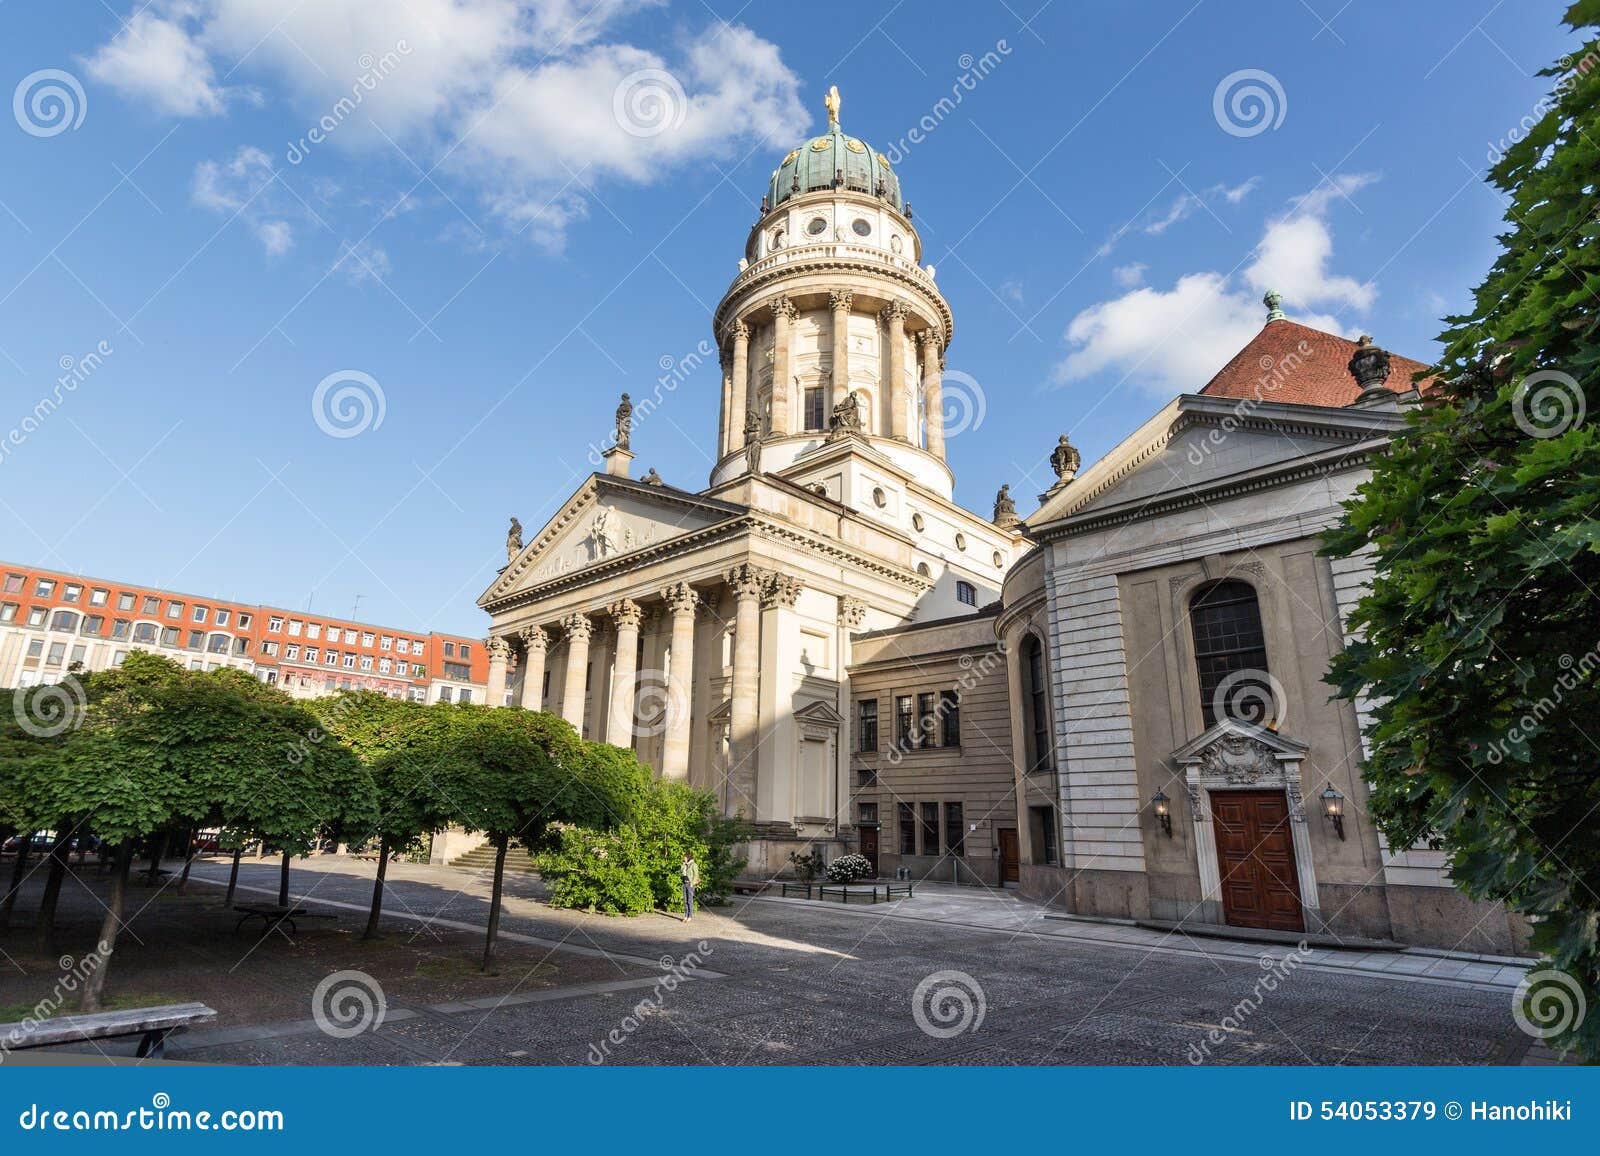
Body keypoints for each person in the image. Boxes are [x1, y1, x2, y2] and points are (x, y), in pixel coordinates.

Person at [680, 851, 699, 921]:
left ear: (688, 857)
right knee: (685, 900)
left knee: (689, 900)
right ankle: (685, 915)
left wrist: (692, 883)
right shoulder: (685, 864)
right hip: (684, 883)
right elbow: (682, 872)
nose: (683, 858)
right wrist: (684, 865)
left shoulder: (694, 865)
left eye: (684, 857)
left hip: (690, 884)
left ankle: (690, 916)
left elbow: (696, 875)